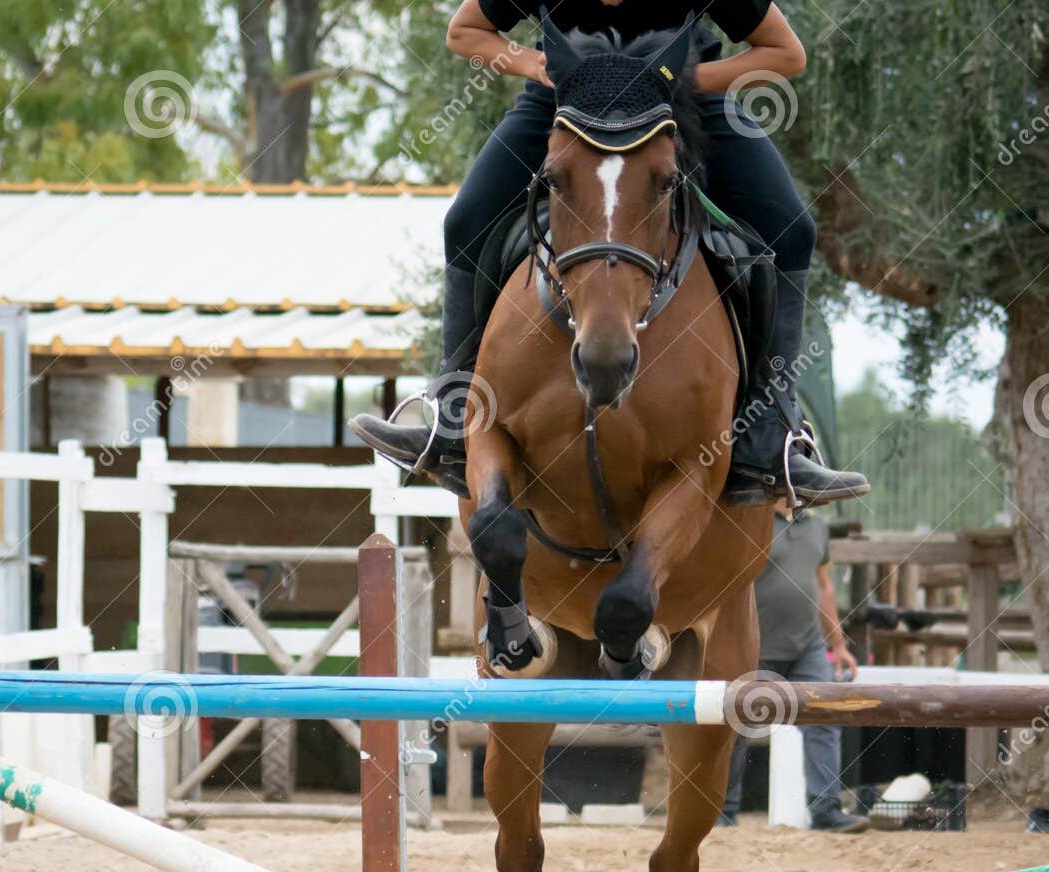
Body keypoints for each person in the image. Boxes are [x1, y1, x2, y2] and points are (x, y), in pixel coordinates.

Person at [350, 0, 868, 508]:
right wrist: (540, 68)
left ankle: (771, 431)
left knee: (791, 229)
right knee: (465, 221)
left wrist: (682, 82)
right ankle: (451, 418)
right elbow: (463, 33)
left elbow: (785, 53)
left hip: (682, 105)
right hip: (566, 106)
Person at [723, 499, 865, 831]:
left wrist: (839, 645)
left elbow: (824, 587)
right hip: (754, 647)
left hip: (809, 646)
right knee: (735, 727)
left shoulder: (817, 526)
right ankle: (723, 812)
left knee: (825, 716)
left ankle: (827, 810)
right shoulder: (750, 520)